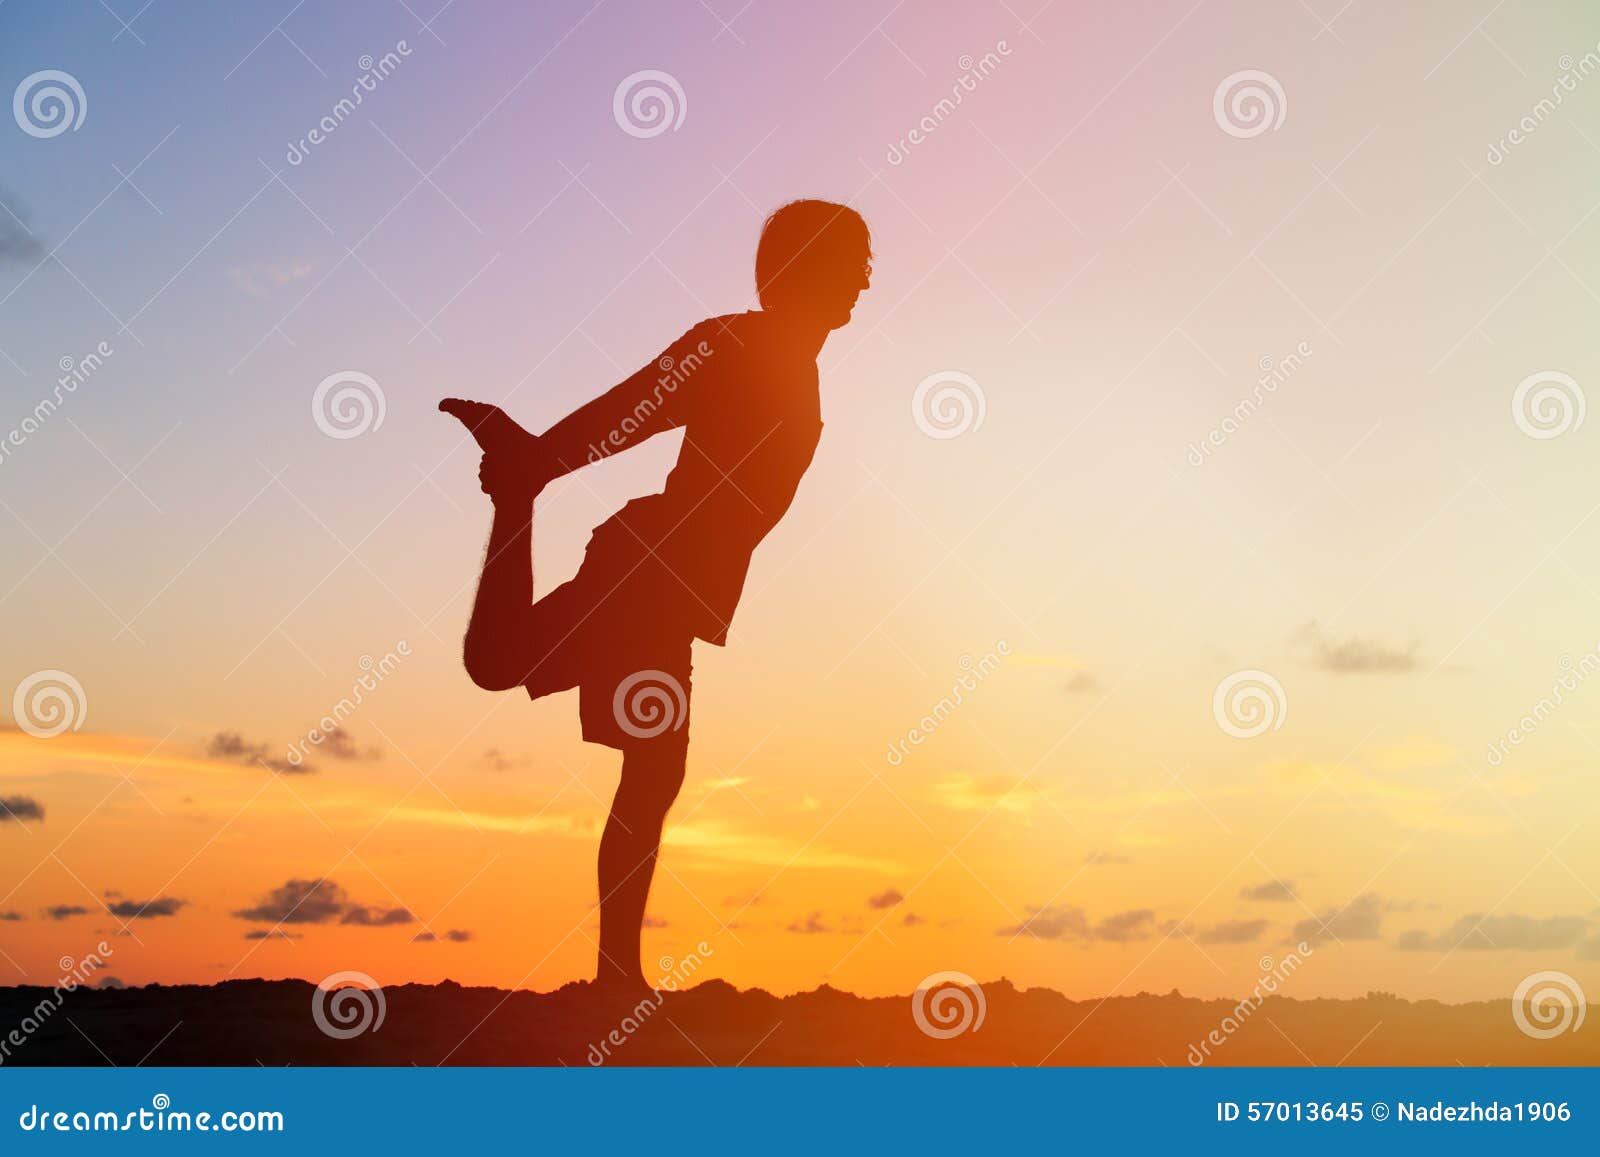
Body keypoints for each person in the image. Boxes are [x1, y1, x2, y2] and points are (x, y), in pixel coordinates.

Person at [440, 199, 872, 995]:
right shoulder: (733, 345)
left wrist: (530, 466)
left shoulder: (789, 362)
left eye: (867, 264)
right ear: (801, 271)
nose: (867, 281)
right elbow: (625, 415)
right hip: (652, 575)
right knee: (649, 764)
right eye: (853, 262)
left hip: (668, 580)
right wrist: (538, 462)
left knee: (559, 704)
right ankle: (617, 979)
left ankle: (617, 975)